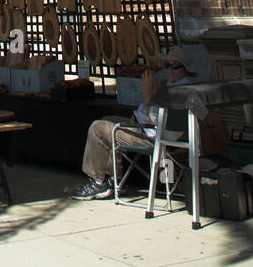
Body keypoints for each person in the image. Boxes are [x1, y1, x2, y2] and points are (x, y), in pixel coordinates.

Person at [70, 47, 196, 199]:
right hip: (148, 129)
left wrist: (148, 91)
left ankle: (97, 181)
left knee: (97, 128)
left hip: (150, 135)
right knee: (108, 120)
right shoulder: (180, 86)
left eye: (175, 67)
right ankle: (112, 179)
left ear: (185, 69)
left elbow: (156, 120)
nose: (170, 70)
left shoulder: (179, 90)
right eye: (167, 66)